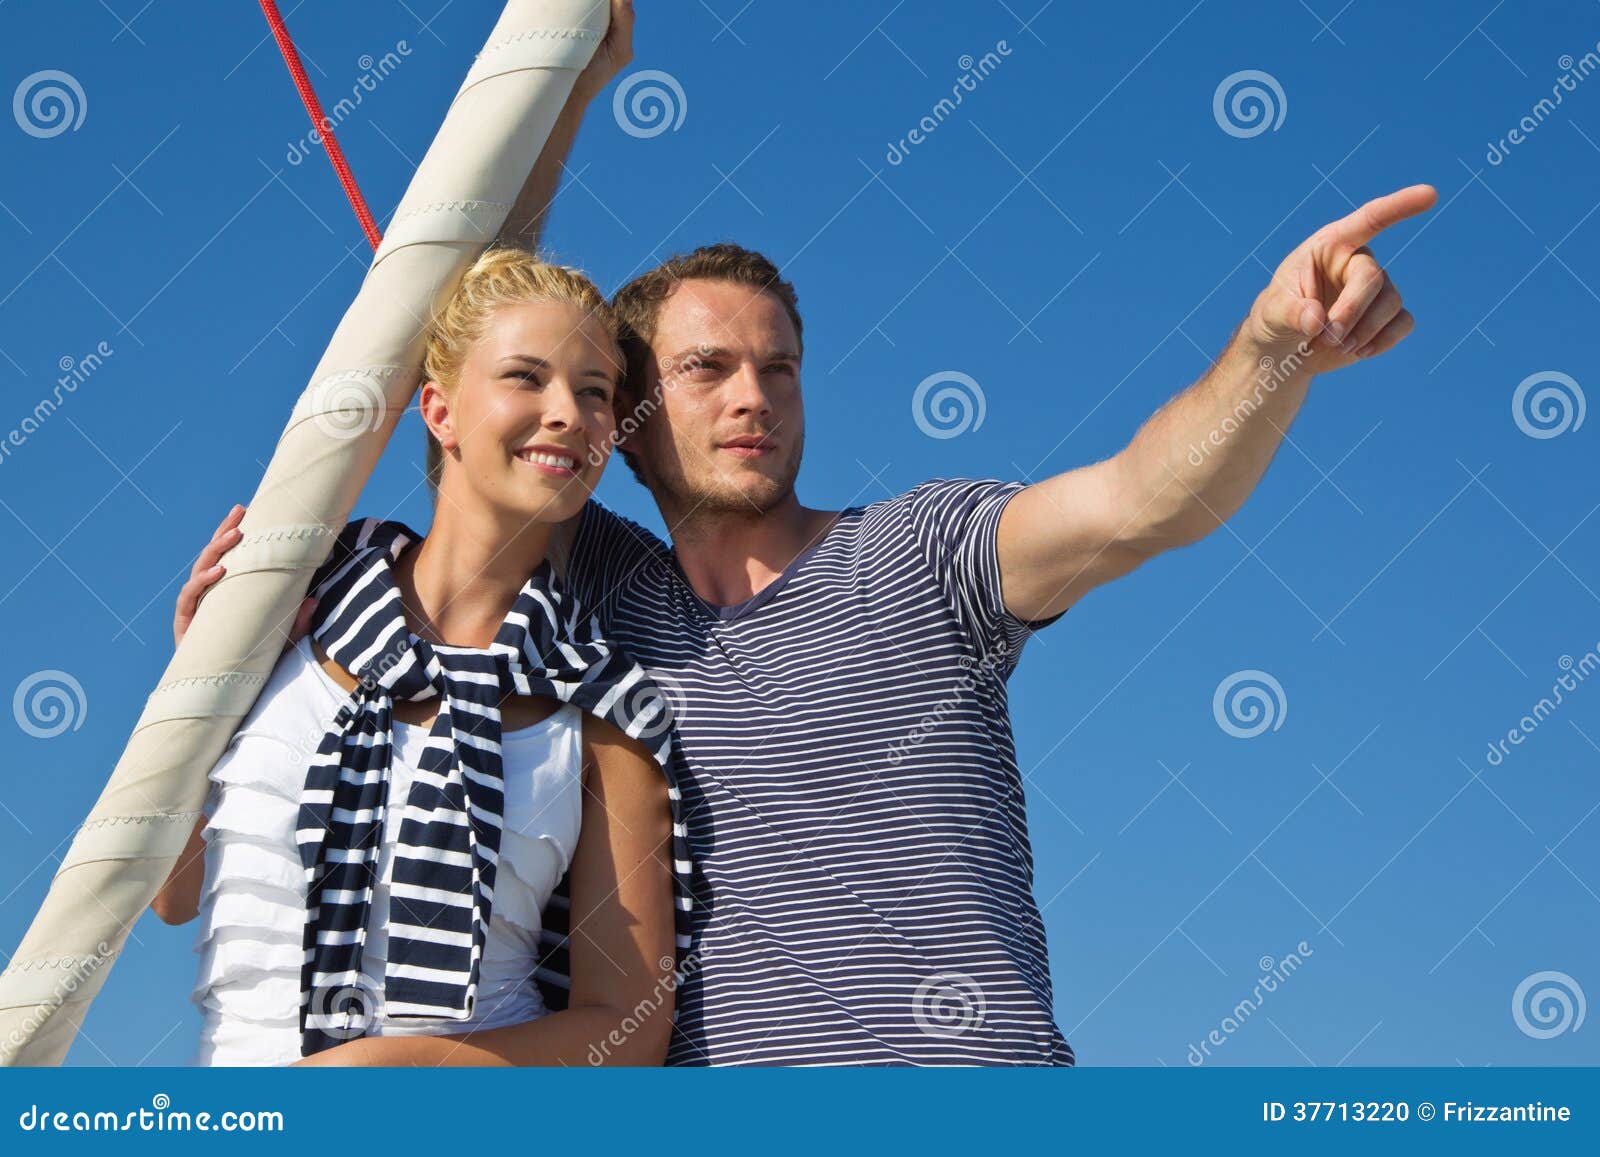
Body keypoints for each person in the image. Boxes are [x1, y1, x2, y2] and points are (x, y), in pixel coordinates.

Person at [180, 1, 1432, 1064]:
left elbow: (1145, 498)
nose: (751, 398)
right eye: (708, 368)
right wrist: (569, 67)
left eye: (778, 368)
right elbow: (494, 325)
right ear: (630, 420)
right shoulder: (605, 607)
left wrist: (1273, 354)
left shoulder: (923, 555)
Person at [154, 246, 688, 1067]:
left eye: (594, 393)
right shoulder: (290, 599)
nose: (567, 414)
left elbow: (628, 1031)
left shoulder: (601, 703)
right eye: (526, 377)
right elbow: (172, 893)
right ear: (439, 411)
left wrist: (395, 1068)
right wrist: (191, 689)